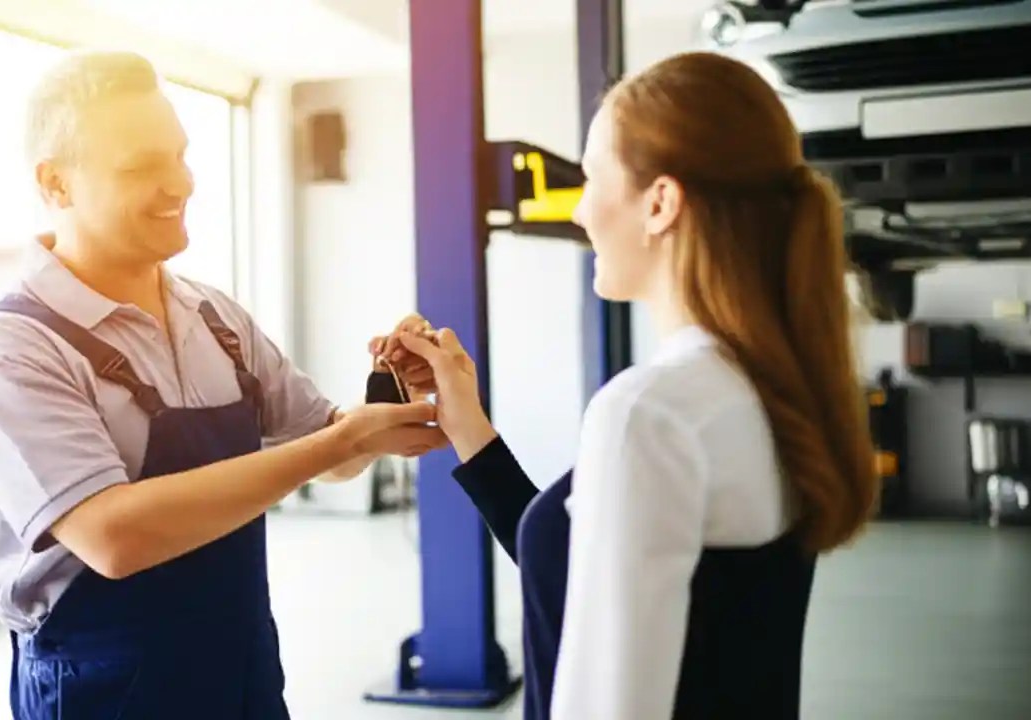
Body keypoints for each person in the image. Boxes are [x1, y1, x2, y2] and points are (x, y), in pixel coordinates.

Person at [375, 51, 880, 719]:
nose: (580, 211)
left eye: (590, 179)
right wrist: (464, 419)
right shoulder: (760, 389)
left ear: (661, 202)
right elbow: (586, 583)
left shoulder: (651, 413)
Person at [0, 50, 444, 719]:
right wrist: (339, 445)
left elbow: (332, 453)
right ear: (56, 184)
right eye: (141, 167)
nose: (180, 185)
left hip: (238, 666)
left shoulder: (216, 320)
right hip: (103, 687)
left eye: (180, 156)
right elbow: (113, 538)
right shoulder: (14, 349)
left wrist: (387, 403)